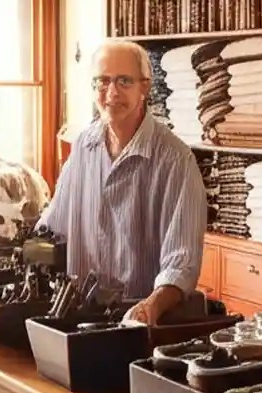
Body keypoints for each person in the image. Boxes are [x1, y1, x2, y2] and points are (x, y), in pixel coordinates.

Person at [39, 40, 207, 325]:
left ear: (145, 87)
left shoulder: (175, 160)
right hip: (79, 316)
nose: (112, 93)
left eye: (124, 81)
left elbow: (181, 264)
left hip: (139, 325)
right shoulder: (83, 146)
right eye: (102, 81)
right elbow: (53, 227)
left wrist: (150, 307)